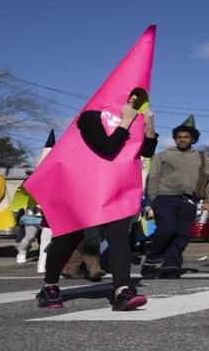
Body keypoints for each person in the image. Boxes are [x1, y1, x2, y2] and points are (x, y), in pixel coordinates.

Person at [34, 87, 157, 310]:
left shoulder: (132, 119)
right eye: (129, 94)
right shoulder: (89, 117)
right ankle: (49, 287)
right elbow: (106, 147)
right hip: (82, 186)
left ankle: (122, 291)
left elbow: (146, 151)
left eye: (137, 98)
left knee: (119, 238)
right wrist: (125, 123)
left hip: (116, 187)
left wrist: (149, 125)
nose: (132, 100)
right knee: (67, 239)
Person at [140, 115, 209, 278]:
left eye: (186, 137)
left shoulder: (202, 157)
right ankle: (151, 259)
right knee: (168, 228)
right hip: (164, 197)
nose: (182, 140)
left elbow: (206, 180)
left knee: (182, 234)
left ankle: (170, 266)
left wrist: (208, 201)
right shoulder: (164, 155)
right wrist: (151, 200)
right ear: (174, 139)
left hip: (190, 200)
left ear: (193, 139)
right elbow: (153, 177)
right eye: (178, 137)